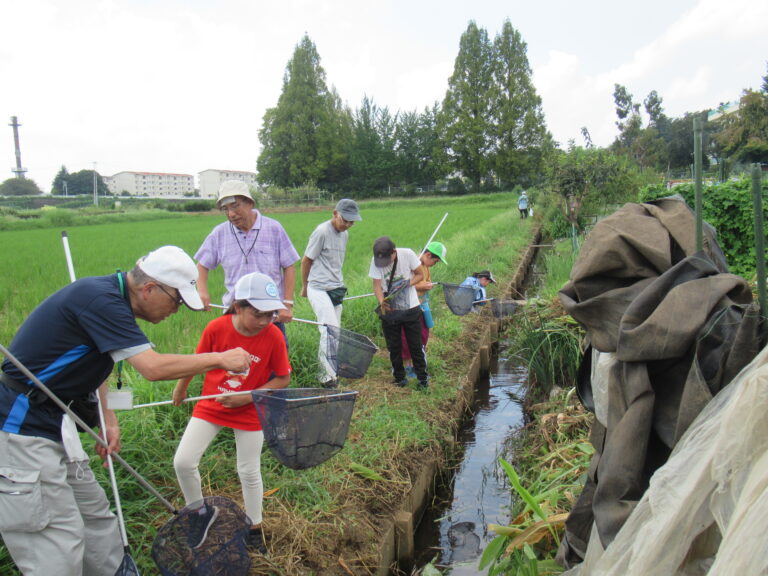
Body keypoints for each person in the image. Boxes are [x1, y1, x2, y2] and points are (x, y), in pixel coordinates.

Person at [0, 245, 251, 576]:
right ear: (149, 289)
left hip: (58, 423)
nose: (176, 310)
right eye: (176, 301)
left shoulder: (113, 300)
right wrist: (220, 358)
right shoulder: (99, 299)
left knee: (96, 520)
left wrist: (108, 417)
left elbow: (97, 364)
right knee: (57, 539)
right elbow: (152, 367)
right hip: (23, 427)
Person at [173, 272, 291, 555]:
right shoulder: (217, 328)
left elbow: (282, 379)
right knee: (183, 461)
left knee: (248, 470)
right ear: (238, 306)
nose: (265, 320)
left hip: (250, 407)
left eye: (271, 313)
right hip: (212, 403)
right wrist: (181, 388)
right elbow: (197, 362)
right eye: (258, 313)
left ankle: (254, 527)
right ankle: (199, 513)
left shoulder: (273, 335)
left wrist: (248, 396)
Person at [195, 180, 300, 340]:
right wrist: (202, 292)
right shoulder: (219, 233)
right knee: (233, 362)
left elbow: (289, 266)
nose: (231, 214)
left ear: (250, 203)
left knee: (274, 362)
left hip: (269, 315)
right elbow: (202, 265)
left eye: (235, 206)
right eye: (226, 209)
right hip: (234, 314)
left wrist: (287, 304)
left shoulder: (273, 228)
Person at [300, 198, 362, 388]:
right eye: (345, 220)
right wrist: (305, 286)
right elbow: (306, 260)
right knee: (329, 329)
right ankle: (326, 377)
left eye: (352, 222)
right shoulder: (321, 232)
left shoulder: (344, 235)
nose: (348, 225)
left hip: (335, 288)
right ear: (335, 213)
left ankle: (330, 369)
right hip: (318, 287)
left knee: (336, 331)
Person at [369, 236, 429, 389]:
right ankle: (399, 378)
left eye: (387, 260)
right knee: (394, 347)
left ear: (394, 252)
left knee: (415, 345)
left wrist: (407, 283)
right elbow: (376, 285)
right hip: (390, 311)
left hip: (411, 308)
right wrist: (382, 301)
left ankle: (423, 379)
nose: (384, 265)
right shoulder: (376, 261)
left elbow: (420, 274)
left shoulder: (407, 254)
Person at [401, 241, 447, 380]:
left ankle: (417, 363)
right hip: (408, 307)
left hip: (421, 306)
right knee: (406, 338)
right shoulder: (413, 264)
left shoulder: (425, 267)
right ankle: (406, 366)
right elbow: (404, 285)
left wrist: (427, 285)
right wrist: (422, 286)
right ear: (428, 255)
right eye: (436, 261)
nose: (435, 264)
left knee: (423, 334)